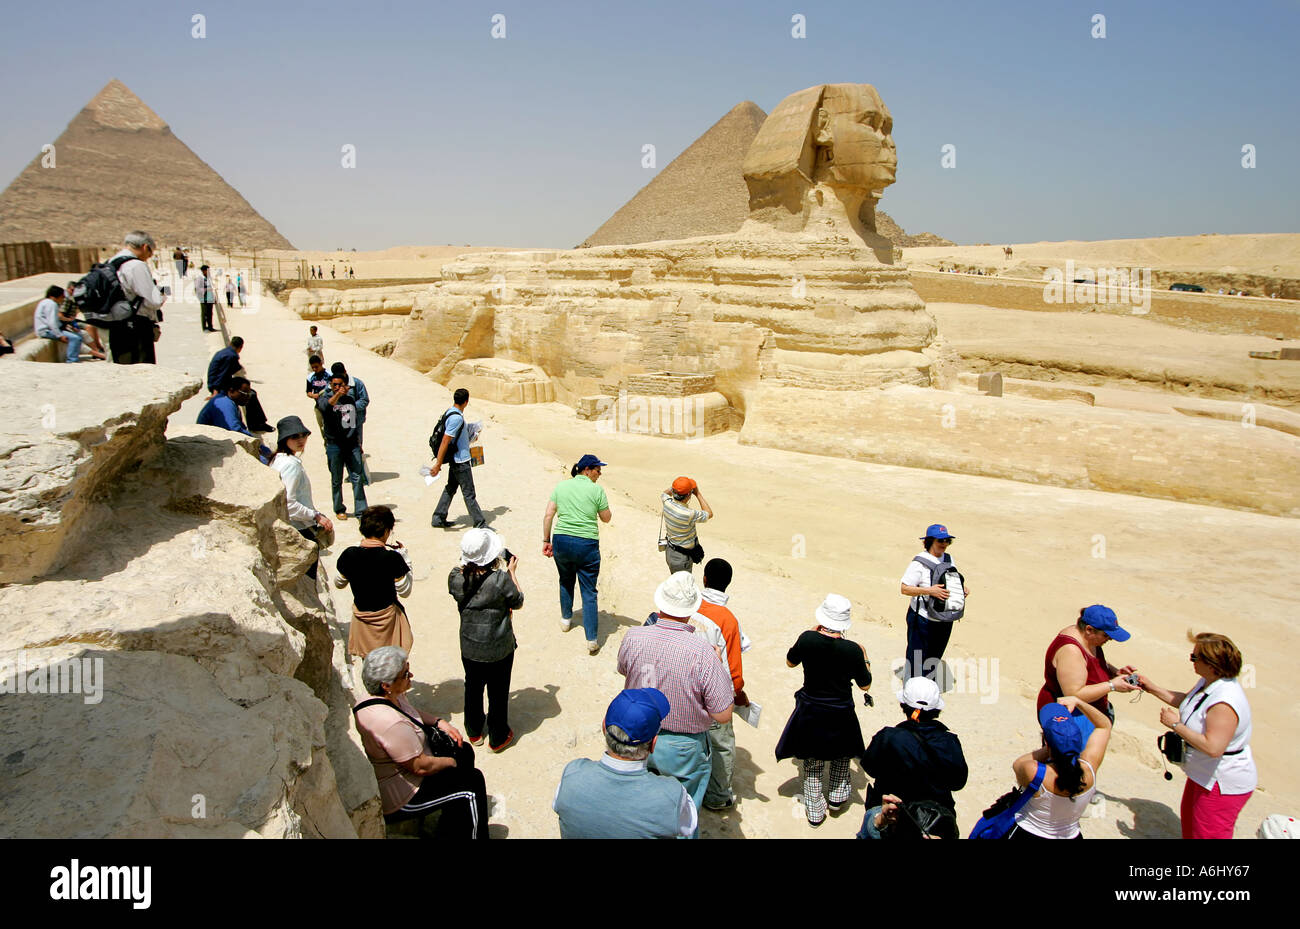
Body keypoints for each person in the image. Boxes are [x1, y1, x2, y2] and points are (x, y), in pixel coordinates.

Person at [616, 573, 733, 837]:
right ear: (691, 610)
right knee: (683, 813)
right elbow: (723, 714)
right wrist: (718, 664)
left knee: (641, 806)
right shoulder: (702, 651)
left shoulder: (634, 636)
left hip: (637, 734)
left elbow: (625, 669)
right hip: (683, 745)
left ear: (661, 604)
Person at [353, 646, 489, 838]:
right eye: (405, 674)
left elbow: (410, 712)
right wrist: (452, 764)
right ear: (386, 685)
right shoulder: (388, 723)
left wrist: (439, 722)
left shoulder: (386, 696)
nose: (411, 675)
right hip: (406, 793)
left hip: (413, 766)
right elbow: (420, 766)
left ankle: (453, 822)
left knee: (464, 749)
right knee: (472, 784)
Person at [1138, 633, 1256, 839]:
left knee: (1207, 834)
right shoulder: (1208, 682)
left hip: (1221, 782)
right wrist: (1152, 688)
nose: (1191, 661)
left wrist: (1175, 725)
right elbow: (1189, 703)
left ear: (1212, 664)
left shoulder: (1224, 703)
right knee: (1192, 830)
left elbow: (1213, 748)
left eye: (1194, 657)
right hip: (1202, 773)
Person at [775, 594, 873, 827]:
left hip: (812, 708)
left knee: (813, 761)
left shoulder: (808, 639)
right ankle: (837, 800)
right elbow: (865, 685)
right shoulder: (854, 650)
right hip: (841, 710)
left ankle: (815, 812)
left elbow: (790, 662)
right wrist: (865, 658)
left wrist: (810, 633)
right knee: (841, 756)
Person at [553, 688, 698, 839]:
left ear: (604, 727)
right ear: (653, 744)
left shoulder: (572, 774)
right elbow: (689, 827)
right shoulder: (672, 795)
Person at [857, 677, 967, 838]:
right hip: (934, 819)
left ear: (904, 705)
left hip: (892, 813)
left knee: (871, 826)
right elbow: (958, 783)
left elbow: (869, 767)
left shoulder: (889, 737)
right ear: (936, 709)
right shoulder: (950, 742)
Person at [449, 528, 523, 752]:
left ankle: (474, 731)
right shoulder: (500, 580)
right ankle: (498, 736)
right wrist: (511, 572)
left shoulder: (455, 577)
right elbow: (518, 600)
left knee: (472, 685)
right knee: (498, 690)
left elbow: (464, 574)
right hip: (499, 645)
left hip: (470, 644)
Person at [1007, 697, 1111, 839]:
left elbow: (1017, 764)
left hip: (1029, 833)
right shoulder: (1089, 769)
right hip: (1071, 835)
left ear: (1047, 744)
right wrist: (1079, 702)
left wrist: (1051, 747)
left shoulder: (1034, 772)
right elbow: (1104, 725)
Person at [543, 454, 611, 654]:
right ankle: (591, 639)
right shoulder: (597, 489)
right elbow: (606, 518)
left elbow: (548, 515)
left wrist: (546, 541)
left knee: (565, 580)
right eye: (598, 470)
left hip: (561, 539)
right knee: (588, 590)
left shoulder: (561, 487)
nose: (600, 474)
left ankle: (566, 620)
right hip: (586, 543)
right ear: (587, 470)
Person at [1037, 605, 1138, 737]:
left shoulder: (1086, 637)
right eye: (1106, 635)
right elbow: (1074, 694)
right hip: (1070, 719)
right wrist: (1112, 685)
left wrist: (1114, 672)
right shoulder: (1071, 651)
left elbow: (1089, 663)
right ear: (1089, 629)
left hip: (1085, 714)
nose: (1110, 639)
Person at [696, 558, 747, 812]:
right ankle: (717, 796)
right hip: (715, 694)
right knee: (721, 744)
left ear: (704, 579)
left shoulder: (689, 606)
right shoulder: (728, 619)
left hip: (687, 688)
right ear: (728, 584)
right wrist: (738, 693)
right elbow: (734, 671)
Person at [336, 506, 412, 657]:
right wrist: (405, 559)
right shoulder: (391, 558)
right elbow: (405, 591)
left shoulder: (349, 555)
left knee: (369, 666)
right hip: (388, 623)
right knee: (392, 666)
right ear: (386, 531)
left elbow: (339, 583)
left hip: (362, 623)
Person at [899, 523, 970, 680]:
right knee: (916, 657)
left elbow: (950, 579)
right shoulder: (919, 562)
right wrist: (929, 590)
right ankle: (911, 690)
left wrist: (961, 588)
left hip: (944, 619)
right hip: (922, 618)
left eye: (947, 541)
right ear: (930, 541)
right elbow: (904, 589)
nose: (944, 544)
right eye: (940, 541)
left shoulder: (949, 559)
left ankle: (926, 687)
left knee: (934, 657)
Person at [269, 415, 333, 581]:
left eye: (303, 435)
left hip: (289, 527)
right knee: (308, 580)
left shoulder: (277, 460)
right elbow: (289, 503)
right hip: (300, 530)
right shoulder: (290, 465)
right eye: (294, 436)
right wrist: (316, 516)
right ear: (285, 439)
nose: (301, 440)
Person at [429, 388, 486, 530]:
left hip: (457, 460)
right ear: (466, 401)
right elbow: (445, 441)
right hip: (461, 461)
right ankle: (480, 523)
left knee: (451, 488)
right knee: (469, 493)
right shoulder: (456, 418)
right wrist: (438, 464)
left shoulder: (450, 412)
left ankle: (438, 518)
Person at [317, 371, 368, 520]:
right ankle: (339, 508)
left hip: (351, 445)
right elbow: (326, 407)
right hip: (334, 446)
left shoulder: (350, 400)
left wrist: (357, 442)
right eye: (335, 385)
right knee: (336, 479)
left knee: (357, 478)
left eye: (341, 385)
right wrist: (338, 395)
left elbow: (351, 423)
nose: (337, 387)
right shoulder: (323, 398)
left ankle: (361, 511)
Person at [196, 376, 273, 460]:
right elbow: (234, 429)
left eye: (249, 394)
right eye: (245, 394)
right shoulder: (224, 403)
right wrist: (258, 444)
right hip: (209, 447)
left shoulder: (230, 401)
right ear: (231, 390)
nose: (248, 397)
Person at [206, 337, 271, 431]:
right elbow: (221, 374)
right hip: (219, 386)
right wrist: (215, 391)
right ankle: (256, 424)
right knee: (250, 395)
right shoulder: (231, 356)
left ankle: (259, 423)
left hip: (219, 383)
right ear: (241, 347)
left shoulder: (225, 352)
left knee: (249, 392)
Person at [659, 476, 713, 574]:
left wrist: (676, 488)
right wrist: (698, 494)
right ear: (688, 495)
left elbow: (664, 493)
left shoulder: (666, 502)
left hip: (671, 551)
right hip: (682, 558)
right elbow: (709, 513)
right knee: (682, 584)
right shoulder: (689, 514)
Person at [34, 286, 83, 363]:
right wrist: (60, 335)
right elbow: (52, 322)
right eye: (62, 296)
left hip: (45, 329)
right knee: (75, 338)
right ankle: (72, 360)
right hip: (46, 331)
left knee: (77, 335)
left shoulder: (44, 302)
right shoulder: (52, 304)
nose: (63, 299)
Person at [329, 361, 369, 448]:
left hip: (356, 421)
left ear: (345, 372)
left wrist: (350, 407)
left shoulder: (357, 383)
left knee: (357, 446)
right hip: (337, 423)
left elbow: (364, 400)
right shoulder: (331, 385)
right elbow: (326, 400)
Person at [197, 264, 217, 332]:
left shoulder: (209, 278)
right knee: (204, 313)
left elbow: (212, 288)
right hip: (204, 298)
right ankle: (204, 328)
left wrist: (214, 298)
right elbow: (197, 289)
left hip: (210, 298)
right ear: (203, 271)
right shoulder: (200, 278)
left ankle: (210, 327)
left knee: (210, 313)